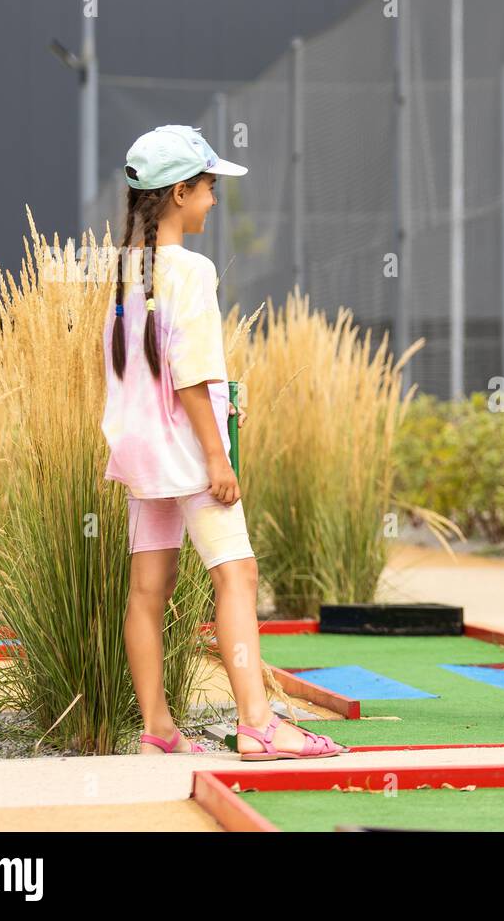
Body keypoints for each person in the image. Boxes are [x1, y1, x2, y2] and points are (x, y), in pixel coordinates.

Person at [101, 125, 345, 760]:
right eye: (209, 188)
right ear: (180, 191)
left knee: (146, 589)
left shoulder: (125, 272)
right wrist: (218, 455)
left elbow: (131, 373)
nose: (213, 199)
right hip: (190, 452)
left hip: (140, 455)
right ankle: (259, 724)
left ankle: (157, 730)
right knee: (237, 574)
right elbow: (191, 373)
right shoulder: (193, 269)